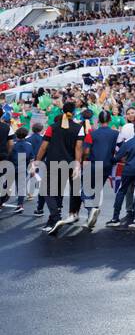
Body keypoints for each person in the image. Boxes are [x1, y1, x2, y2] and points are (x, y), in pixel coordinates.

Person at [33, 100, 83, 234]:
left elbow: (44, 147)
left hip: (53, 163)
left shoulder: (52, 127)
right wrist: (78, 164)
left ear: (62, 111)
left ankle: (55, 216)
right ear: (74, 113)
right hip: (70, 163)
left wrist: (36, 162)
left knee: (47, 190)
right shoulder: (79, 127)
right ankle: (55, 217)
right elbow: (79, 148)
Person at [107, 117, 135, 229]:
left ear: (134, 129)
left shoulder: (128, 142)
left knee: (121, 192)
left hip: (128, 170)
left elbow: (117, 157)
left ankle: (115, 218)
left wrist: (110, 159)